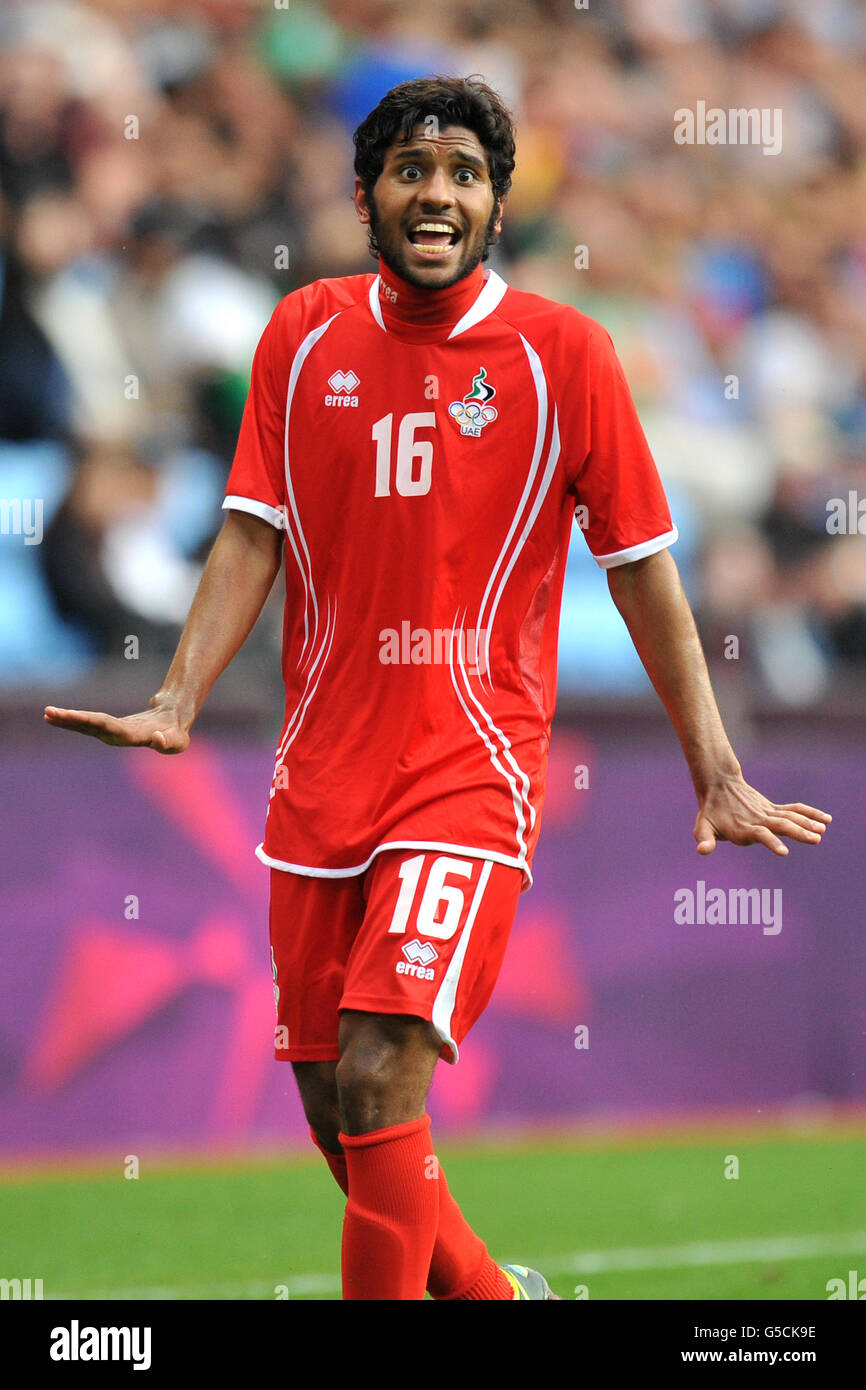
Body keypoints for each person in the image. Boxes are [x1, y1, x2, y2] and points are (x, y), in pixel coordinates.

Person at [44, 76, 832, 1301]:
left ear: (495, 204)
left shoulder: (564, 355)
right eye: (413, 171)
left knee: (378, 1077)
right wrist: (181, 696)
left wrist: (713, 766)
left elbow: (640, 573)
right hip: (319, 776)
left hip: (467, 771)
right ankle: (495, 1297)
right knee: (331, 1107)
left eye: (465, 174)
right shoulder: (301, 333)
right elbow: (250, 532)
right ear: (366, 197)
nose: (438, 195)